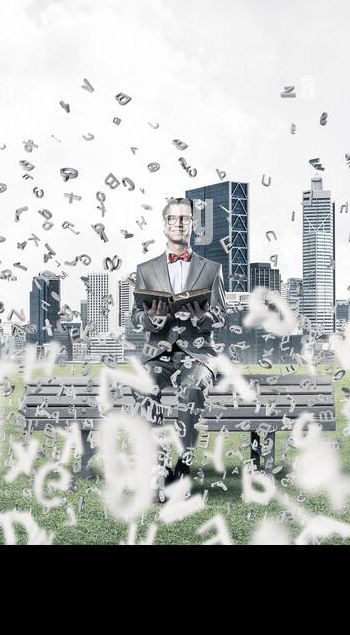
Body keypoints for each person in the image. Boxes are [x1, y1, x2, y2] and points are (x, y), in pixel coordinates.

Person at [129, 197, 227, 491]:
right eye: (173, 218)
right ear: (165, 225)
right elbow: (135, 317)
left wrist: (203, 317)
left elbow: (222, 315)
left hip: (199, 354)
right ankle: (159, 464)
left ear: (193, 226)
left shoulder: (211, 269)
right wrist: (154, 320)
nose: (179, 223)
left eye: (185, 218)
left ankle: (184, 464)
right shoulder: (145, 268)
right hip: (158, 353)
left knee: (193, 385)